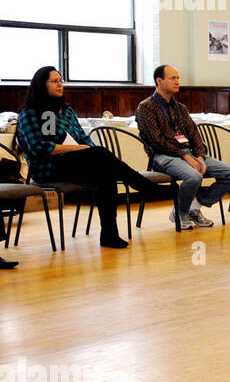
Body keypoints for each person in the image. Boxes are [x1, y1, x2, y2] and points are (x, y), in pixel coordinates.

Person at [16, 66, 164, 248]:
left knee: (106, 174)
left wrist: (87, 149)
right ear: (41, 85)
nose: (60, 85)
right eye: (54, 81)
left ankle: (109, 235)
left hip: (72, 163)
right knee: (100, 155)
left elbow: (82, 137)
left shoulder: (65, 110)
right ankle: (145, 187)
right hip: (46, 167)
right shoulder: (32, 113)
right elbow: (40, 147)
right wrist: (78, 149)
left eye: (61, 81)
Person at [136, 64, 230, 231]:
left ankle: (195, 206)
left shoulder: (180, 108)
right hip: (163, 156)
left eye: (178, 78)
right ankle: (180, 212)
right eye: (173, 78)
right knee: (194, 177)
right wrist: (184, 156)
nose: (178, 81)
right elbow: (156, 141)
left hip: (189, 154)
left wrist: (199, 156)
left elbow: (194, 134)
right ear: (159, 81)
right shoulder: (146, 107)